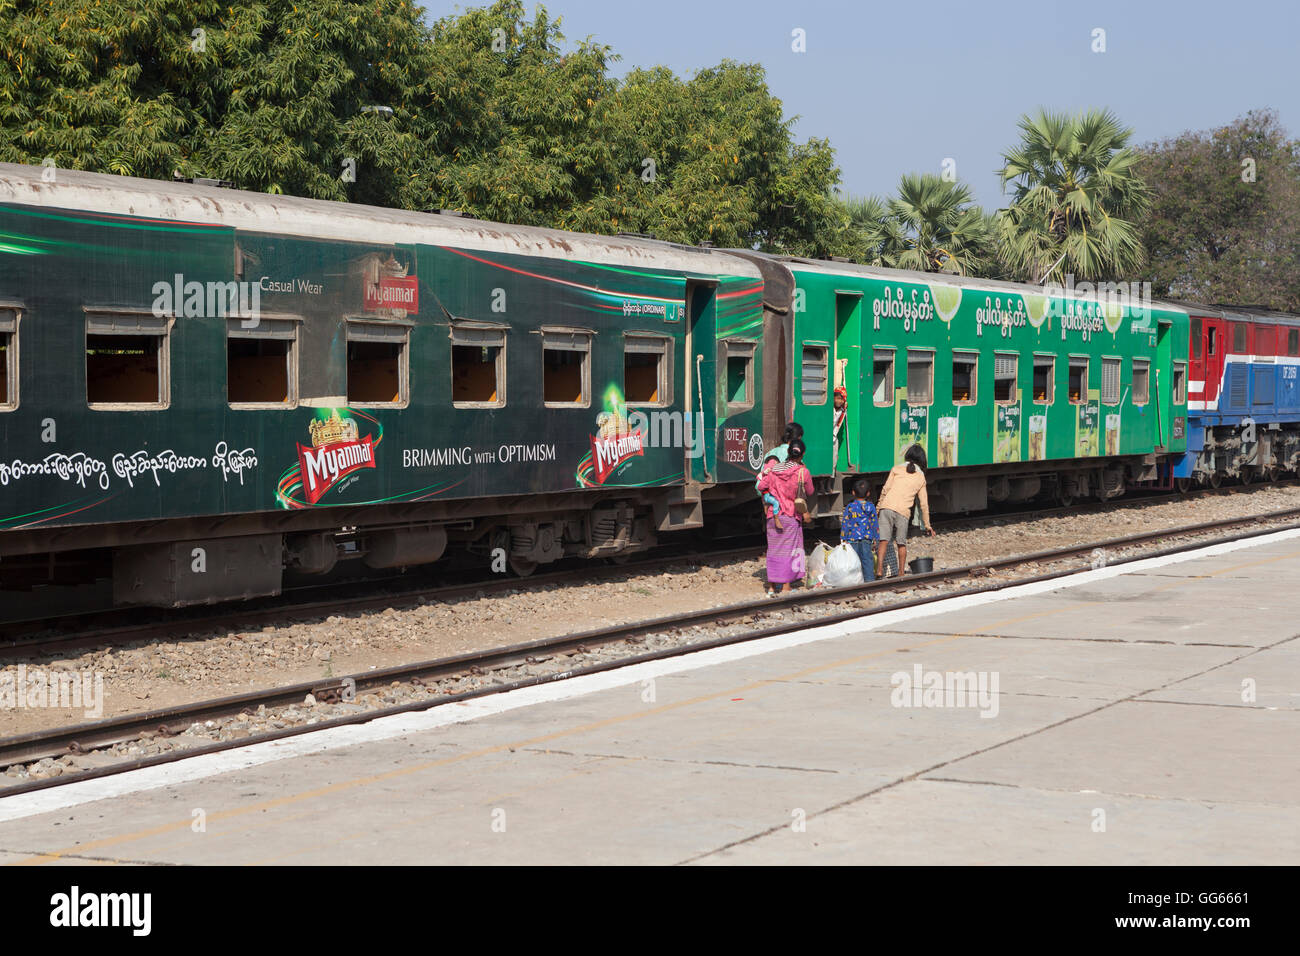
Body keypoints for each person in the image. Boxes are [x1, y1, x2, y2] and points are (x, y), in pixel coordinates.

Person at [756, 438, 813, 597]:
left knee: (774, 550)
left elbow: (761, 486)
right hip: (791, 515)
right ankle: (786, 586)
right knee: (790, 550)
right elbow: (810, 491)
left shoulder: (774, 469)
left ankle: (772, 587)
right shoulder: (802, 471)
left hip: (773, 515)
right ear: (802, 454)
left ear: (788, 452)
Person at [875, 443, 934, 577]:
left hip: (887, 507)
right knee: (901, 543)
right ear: (922, 460)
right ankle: (901, 572)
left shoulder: (896, 468)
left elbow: (885, 489)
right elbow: (924, 504)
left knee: (883, 540)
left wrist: (878, 508)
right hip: (903, 512)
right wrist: (927, 525)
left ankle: (879, 569)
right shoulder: (920, 476)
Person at [756, 422, 803, 530]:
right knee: (790, 543)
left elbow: (759, 484)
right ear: (799, 438)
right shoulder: (796, 455)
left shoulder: (770, 453)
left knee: (775, 543)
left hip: (771, 510)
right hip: (789, 511)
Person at [840, 477, 879, 581]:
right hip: (867, 538)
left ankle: (854, 580)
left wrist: (843, 538)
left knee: (853, 561)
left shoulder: (850, 507)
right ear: (868, 494)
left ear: (853, 492)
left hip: (852, 539)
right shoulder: (871, 507)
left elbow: (845, 523)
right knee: (867, 560)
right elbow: (874, 523)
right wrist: (876, 538)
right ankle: (869, 581)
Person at [832, 387, 849, 472]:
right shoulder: (830, 409)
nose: (840, 401)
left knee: (834, 462)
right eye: (838, 398)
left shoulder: (842, 410)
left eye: (842, 399)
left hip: (834, 439)